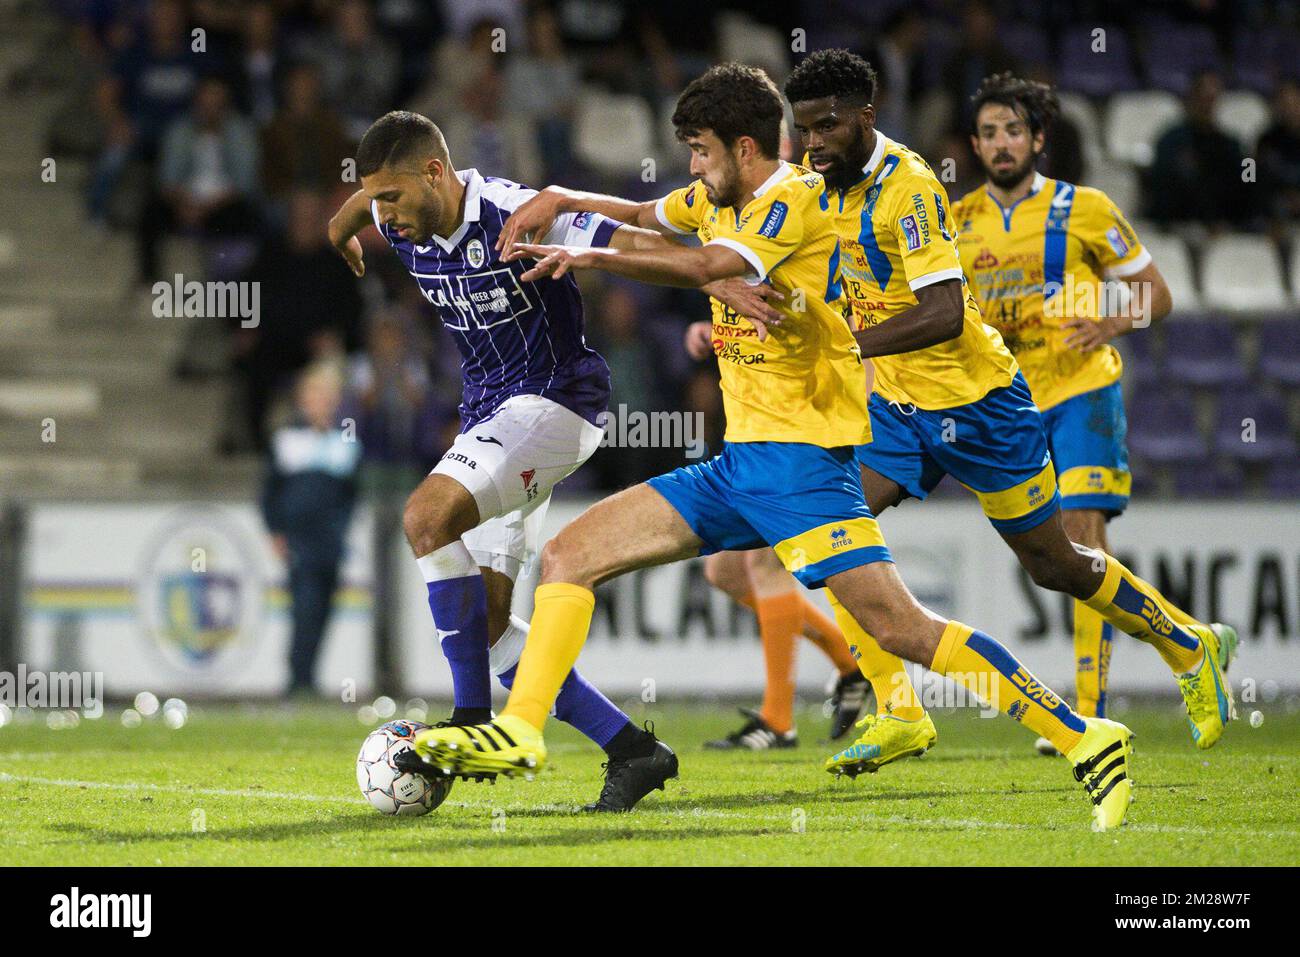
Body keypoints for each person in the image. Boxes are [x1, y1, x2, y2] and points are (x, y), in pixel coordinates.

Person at [413, 62, 1142, 831]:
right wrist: (562, 199)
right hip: (739, 465)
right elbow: (648, 214)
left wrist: (590, 257)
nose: (692, 168)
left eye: (700, 150)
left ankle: (1086, 734)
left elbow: (701, 264)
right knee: (567, 556)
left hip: (803, 465)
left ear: (747, 148)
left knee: (901, 628)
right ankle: (521, 730)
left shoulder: (793, 199)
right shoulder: (717, 196)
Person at [326, 111, 769, 811]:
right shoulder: (396, 215)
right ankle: (634, 750)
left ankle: (470, 720)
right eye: (376, 203)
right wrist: (341, 226)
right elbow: (364, 200)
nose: (385, 217)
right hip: (494, 416)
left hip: (557, 403)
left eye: (394, 199)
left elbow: (629, 241)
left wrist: (711, 279)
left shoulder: (514, 213)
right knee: (495, 630)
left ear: (436, 174)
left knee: (424, 517)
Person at [952, 71, 1239, 753]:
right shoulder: (957, 223)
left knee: (1082, 537)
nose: (1001, 143)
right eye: (988, 133)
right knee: (1054, 559)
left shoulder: (1088, 209)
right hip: (1011, 408)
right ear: (973, 143)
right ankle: (1192, 637)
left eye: (1013, 130)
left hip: (1083, 390)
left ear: (1039, 138)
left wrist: (1108, 324)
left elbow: (1155, 295)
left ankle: (1088, 713)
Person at [261, 362, 360, 697]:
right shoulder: (287, 439)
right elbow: (269, 492)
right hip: (299, 539)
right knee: (304, 606)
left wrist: (343, 531)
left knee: (324, 609)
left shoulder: (345, 442)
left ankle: (309, 677)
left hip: (330, 541)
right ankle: (297, 678)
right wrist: (275, 531)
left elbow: (351, 495)